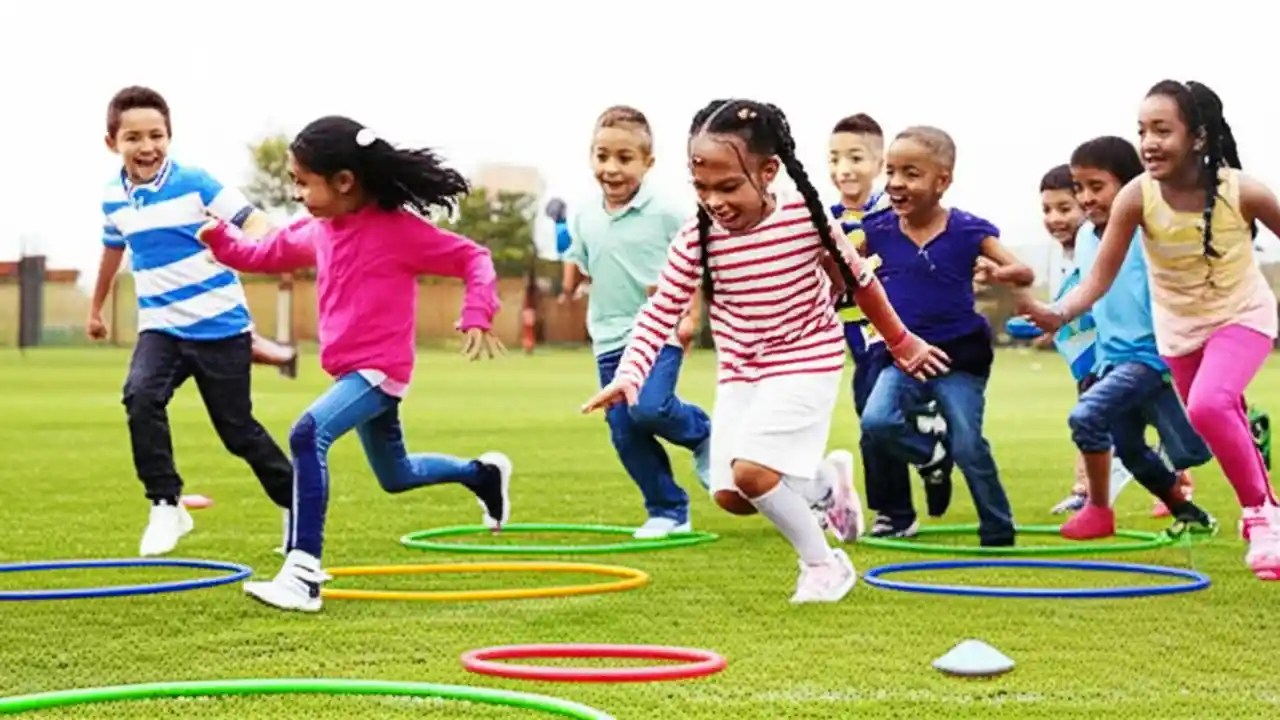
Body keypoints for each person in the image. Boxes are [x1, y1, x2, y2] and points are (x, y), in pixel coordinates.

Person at [583, 99, 949, 603]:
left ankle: (823, 565)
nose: (715, 200)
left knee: (753, 472)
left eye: (729, 185)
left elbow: (861, 282)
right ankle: (824, 485)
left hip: (807, 357)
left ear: (768, 171)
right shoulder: (699, 237)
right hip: (742, 371)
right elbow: (662, 307)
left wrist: (901, 342)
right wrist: (631, 374)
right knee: (732, 495)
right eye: (702, 187)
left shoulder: (806, 218)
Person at [197, 116, 513, 611]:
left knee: (307, 433)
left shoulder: (399, 232)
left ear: (344, 181)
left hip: (381, 371)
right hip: (352, 373)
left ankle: (302, 573)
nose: (296, 192)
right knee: (397, 475)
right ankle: (482, 475)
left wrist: (477, 311)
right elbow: (264, 253)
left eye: (303, 181)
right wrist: (219, 242)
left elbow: (474, 258)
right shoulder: (319, 231)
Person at [1028, 81, 1280, 579]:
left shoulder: (1241, 190)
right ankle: (1263, 498)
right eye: (1142, 130)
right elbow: (1097, 279)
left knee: (1209, 404)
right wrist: (1057, 311)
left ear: (1199, 138)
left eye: (1162, 130)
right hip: (1178, 334)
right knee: (1212, 417)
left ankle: (1261, 515)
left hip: (1241, 318)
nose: (1147, 142)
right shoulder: (1135, 198)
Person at [89, 85, 294, 557]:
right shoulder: (112, 199)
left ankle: (293, 504)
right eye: (133, 137)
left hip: (220, 327)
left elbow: (255, 221)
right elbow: (112, 248)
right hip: (160, 327)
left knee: (237, 431)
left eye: (156, 135)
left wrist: (258, 248)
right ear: (112, 143)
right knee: (140, 397)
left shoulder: (195, 181)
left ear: (169, 136)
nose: (147, 147)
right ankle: (165, 504)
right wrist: (95, 308)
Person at [1027, 136, 1215, 540]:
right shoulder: (1087, 239)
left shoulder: (1150, 234)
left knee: (1086, 416)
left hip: (1150, 357)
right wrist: (1050, 317)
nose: (1086, 198)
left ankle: (1097, 508)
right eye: (1080, 188)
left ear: (1131, 185)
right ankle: (1190, 513)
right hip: (1110, 359)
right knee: (1129, 446)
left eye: (1097, 186)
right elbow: (1087, 293)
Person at [858, 126, 1029, 548]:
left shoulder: (969, 230)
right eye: (891, 172)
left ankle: (998, 530)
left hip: (959, 355)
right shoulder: (876, 228)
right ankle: (931, 455)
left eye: (911, 173)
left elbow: (1022, 271)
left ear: (942, 180)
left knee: (969, 443)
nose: (896, 183)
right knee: (876, 421)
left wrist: (999, 273)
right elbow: (836, 259)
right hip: (903, 354)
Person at [560, 106, 712, 539]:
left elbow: (695, 264)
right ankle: (668, 510)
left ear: (648, 162)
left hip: (657, 330)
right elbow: (585, 263)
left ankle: (702, 434)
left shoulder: (667, 212)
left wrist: (690, 316)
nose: (611, 168)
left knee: (649, 407)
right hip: (607, 338)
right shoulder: (584, 215)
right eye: (601, 156)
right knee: (624, 432)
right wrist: (570, 282)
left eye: (624, 158)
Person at [828, 113, 950, 536]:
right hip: (856, 340)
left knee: (874, 420)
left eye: (856, 158)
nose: (844, 168)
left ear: (879, 164)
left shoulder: (896, 211)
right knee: (871, 416)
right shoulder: (824, 218)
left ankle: (895, 511)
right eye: (835, 158)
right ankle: (929, 448)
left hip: (896, 334)